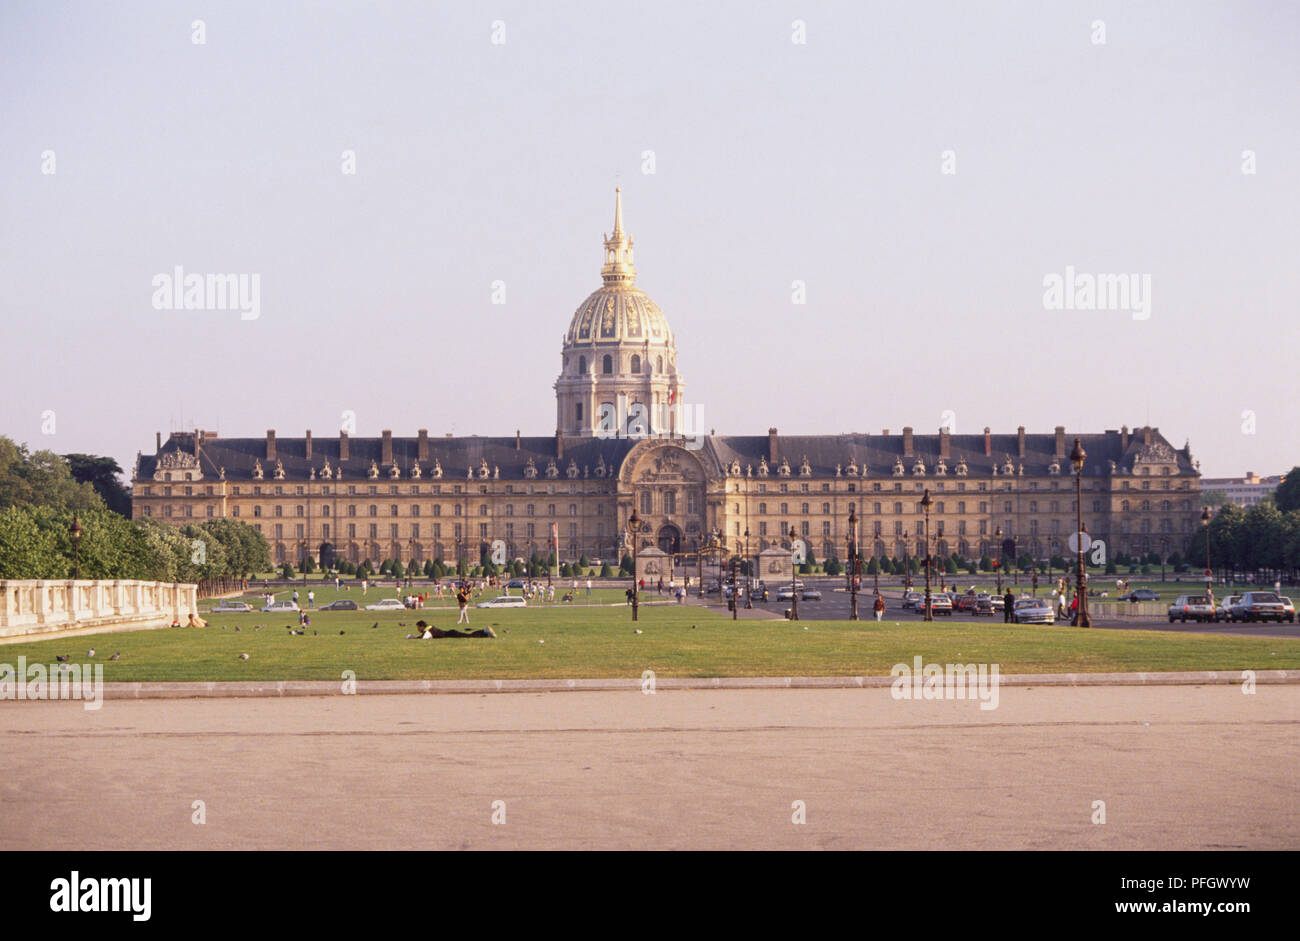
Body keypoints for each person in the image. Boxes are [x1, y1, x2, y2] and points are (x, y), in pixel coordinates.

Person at [412, 619, 495, 639]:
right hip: (451, 632)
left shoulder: (427, 630)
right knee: (469, 635)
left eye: (418, 627)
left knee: (469, 636)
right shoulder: (429, 627)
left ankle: (484, 631)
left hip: (451, 634)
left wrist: (413, 638)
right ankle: (486, 634)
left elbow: (423, 638)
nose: (418, 629)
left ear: (421, 626)